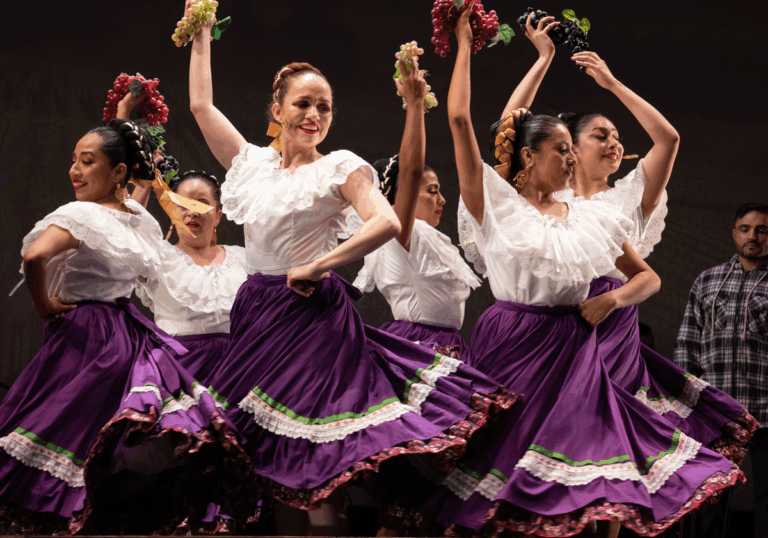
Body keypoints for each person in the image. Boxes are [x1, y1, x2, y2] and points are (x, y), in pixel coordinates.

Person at [416, 6, 745, 537]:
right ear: (529, 157)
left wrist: (610, 300)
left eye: (574, 150)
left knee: (577, 470)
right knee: (503, 471)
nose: (571, 159)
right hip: (512, 337)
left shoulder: (591, 216)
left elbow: (644, 275)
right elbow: (467, 121)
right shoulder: (498, 205)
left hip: (574, 342)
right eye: (562, 149)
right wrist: (469, 47)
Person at [186, 13, 514, 534]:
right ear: (277, 110)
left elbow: (385, 221)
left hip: (311, 315)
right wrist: (201, 34)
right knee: (271, 456)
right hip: (258, 311)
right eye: (303, 103)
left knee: (317, 454)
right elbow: (201, 106)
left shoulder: (338, 165)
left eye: (324, 107)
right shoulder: (251, 166)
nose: (314, 114)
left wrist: (321, 264)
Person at [493, 13, 756, 465]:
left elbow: (668, 139)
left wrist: (611, 83)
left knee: (610, 440)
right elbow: (508, 133)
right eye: (601, 135)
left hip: (611, 320)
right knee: (549, 438)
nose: (615, 143)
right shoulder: (549, 197)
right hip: (556, 320)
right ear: (570, 147)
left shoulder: (629, 197)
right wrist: (544, 59)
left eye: (618, 137)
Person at [0, 120, 248, 534]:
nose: (74, 170)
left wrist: (133, 135)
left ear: (118, 171)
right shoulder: (82, 214)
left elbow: (127, 203)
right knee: (72, 426)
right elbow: (35, 256)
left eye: (86, 161)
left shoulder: (133, 217)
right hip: (92, 334)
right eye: (75, 161)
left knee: (109, 437)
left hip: (122, 333)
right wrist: (45, 306)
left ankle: (97, 514)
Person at [353, 55, 480, 359]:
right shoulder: (398, 233)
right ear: (401, 197)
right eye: (432, 191)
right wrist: (415, 105)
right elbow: (411, 171)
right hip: (419, 344)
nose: (442, 200)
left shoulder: (421, 238)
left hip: (447, 343)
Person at [675, 202, 768, 538]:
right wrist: (684, 403)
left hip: (766, 407)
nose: (753, 236)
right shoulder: (708, 280)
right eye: (745, 229)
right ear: (734, 233)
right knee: (711, 494)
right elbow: (688, 343)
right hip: (717, 410)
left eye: (762, 230)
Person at [135, 171, 247, 381]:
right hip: (179, 372)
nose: (192, 212)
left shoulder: (244, 259)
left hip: (239, 371)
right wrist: (145, 179)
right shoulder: (157, 256)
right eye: (182, 205)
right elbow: (125, 229)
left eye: (201, 204)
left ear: (218, 216)